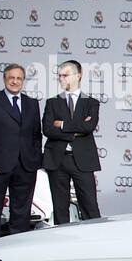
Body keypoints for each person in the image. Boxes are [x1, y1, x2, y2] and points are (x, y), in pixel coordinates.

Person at [0, 63, 41, 238]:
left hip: (26, 164)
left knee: (22, 207)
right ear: (4, 78)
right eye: (11, 77)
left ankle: (17, 242)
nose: (15, 81)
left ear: (23, 81)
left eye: (19, 78)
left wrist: (35, 158)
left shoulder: (32, 104)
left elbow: (36, 134)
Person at [41, 59, 101, 223]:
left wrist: (63, 124)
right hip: (57, 160)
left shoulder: (91, 103)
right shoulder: (52, 102)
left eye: (65, 75)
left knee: (89, 204)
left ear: (78, 76)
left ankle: (95, 239)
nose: (61, 79)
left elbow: (89, 127)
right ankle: (62, 243)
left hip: (82, 160)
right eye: (59, 75)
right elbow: (47, 129)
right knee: (59, 206)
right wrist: (73, 133)